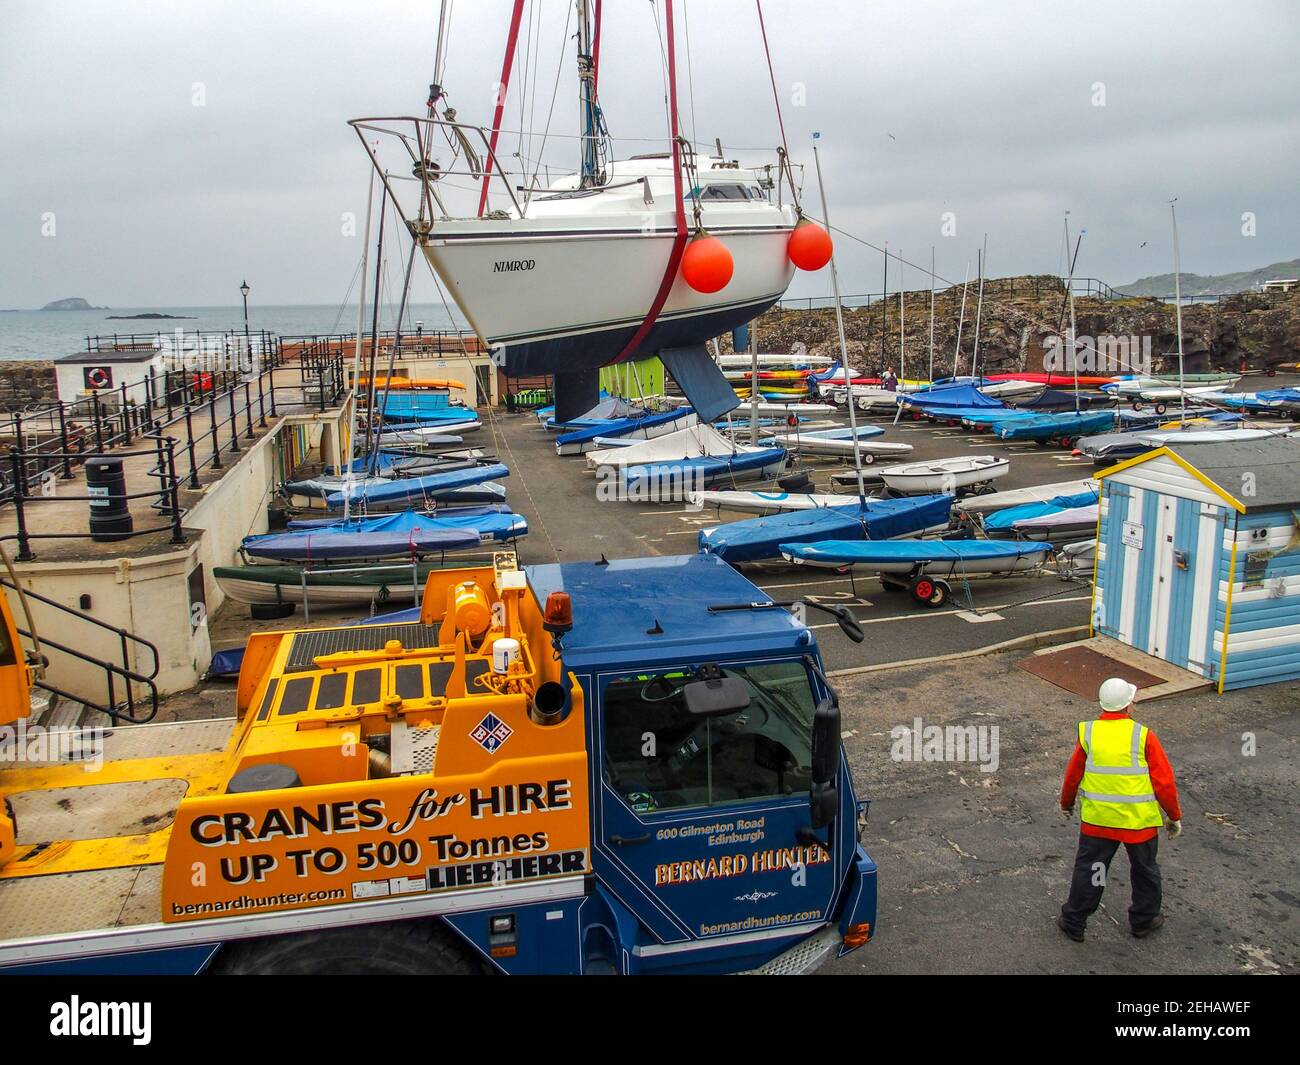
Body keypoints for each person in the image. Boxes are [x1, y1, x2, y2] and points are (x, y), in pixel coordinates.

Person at [1057, 677, 1182, 941]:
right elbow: (1164, 781)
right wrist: (1174, 815)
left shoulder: (1090, 733)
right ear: (1129, 705)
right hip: (1138, 823)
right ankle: (1144, 920)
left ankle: (1075, 921)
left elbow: (1073, 775)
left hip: (1099, 822)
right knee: (1144, 870)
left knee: (1093, 870)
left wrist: (1066, 803)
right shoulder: (1143, 735)